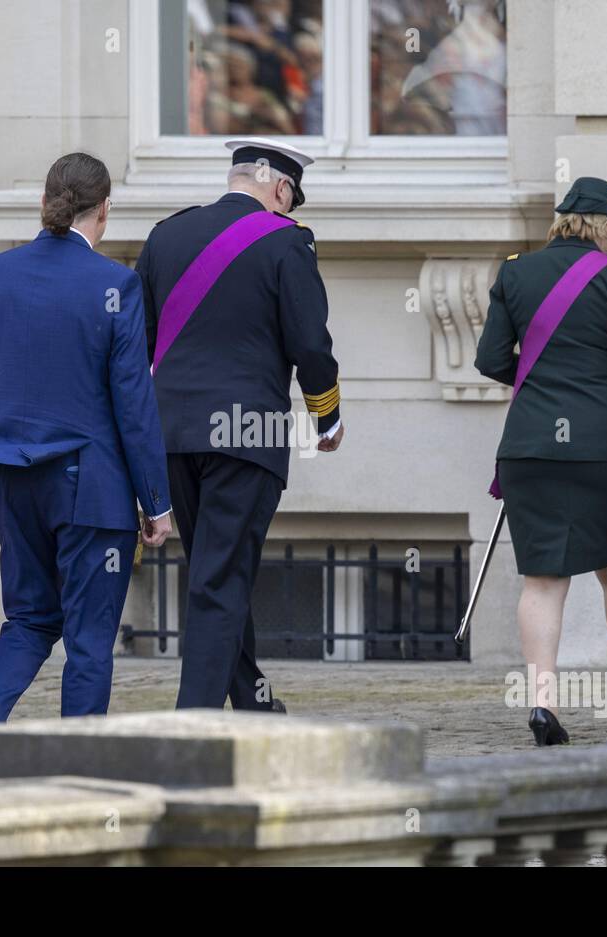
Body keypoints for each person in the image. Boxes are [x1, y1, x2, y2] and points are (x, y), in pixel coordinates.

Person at [0, 153, 171, 721]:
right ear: (105, 212)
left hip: (11, 481)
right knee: (89, 643)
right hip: (90, 490)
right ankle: (78, 770)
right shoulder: (115, 285)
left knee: (27, 622)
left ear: (45, 204)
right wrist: (156, 501)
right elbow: (134, 406)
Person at [135, 137, 343, 712]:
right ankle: (193, 724)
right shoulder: (286, 242)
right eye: (291, 198)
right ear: (281, 187)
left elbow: (139, 346)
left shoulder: (165, 236)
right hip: (248, 435)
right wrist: (326, 415)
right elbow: (310, 344)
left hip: (171, 431)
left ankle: (253, 702)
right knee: (221, 579)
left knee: (212, 572)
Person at [475, 177, 607, 747]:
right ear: (603, 226)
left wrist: (541, 381)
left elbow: (490, 359)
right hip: (603, 447)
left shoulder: (515, 271)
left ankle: (542, 705)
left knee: (542, 581)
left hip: (529, 447)